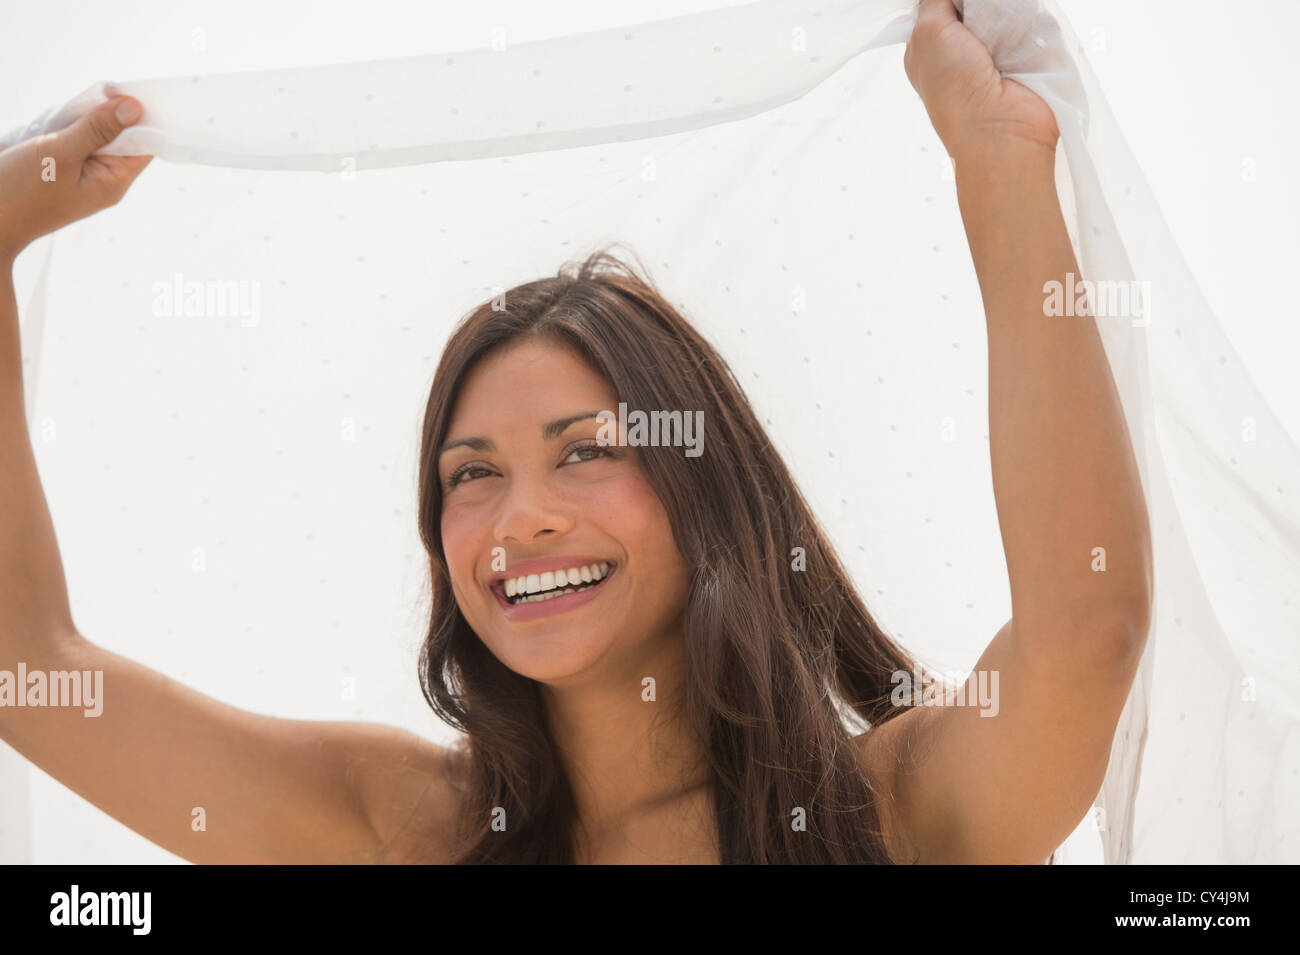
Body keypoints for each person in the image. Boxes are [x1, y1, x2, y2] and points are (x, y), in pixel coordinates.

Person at [0, 0, 1152, 864]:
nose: (521, 515)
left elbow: (1086, 630)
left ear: (708, 493)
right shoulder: (408, 827)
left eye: (585, 449)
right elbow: (26, 669)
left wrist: (1000, 165)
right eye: (471, 474)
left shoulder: (894, 812)